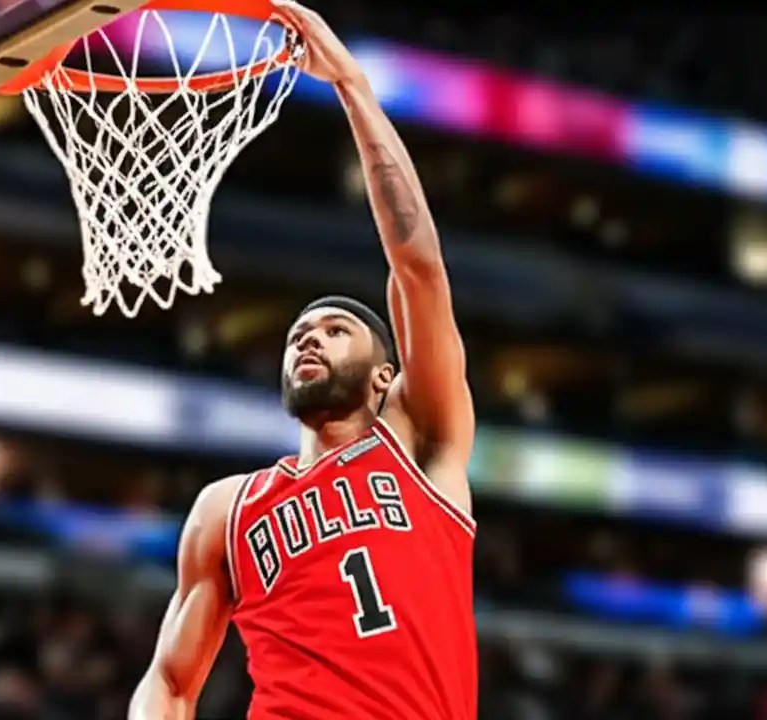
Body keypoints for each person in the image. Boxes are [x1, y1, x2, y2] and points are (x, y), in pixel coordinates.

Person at [129, 2, 477, 717]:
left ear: (388, 376)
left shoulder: (419, 443)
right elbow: (169, 682)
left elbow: (419, 268)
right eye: (298, 333)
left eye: (335, 329)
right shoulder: (227, 509)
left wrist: (351, 84)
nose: (308, 337)